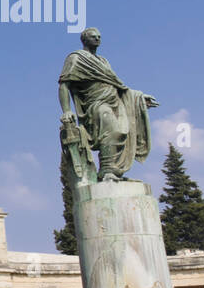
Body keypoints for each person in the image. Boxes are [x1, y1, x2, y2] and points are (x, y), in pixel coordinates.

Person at [58, 28, 159, 182]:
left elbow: (117, 84)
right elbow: (64, 85)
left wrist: (139, 97)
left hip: (115, 101)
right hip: (95, 103)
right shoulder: (76, 58)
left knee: (123, 132)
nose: (98, 39)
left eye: (99, 36)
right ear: (85, 39)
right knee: (113, 130)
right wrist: (66, 110)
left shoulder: (103, 61)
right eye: (94, 36)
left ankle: (114, 171)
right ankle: (106, 170)